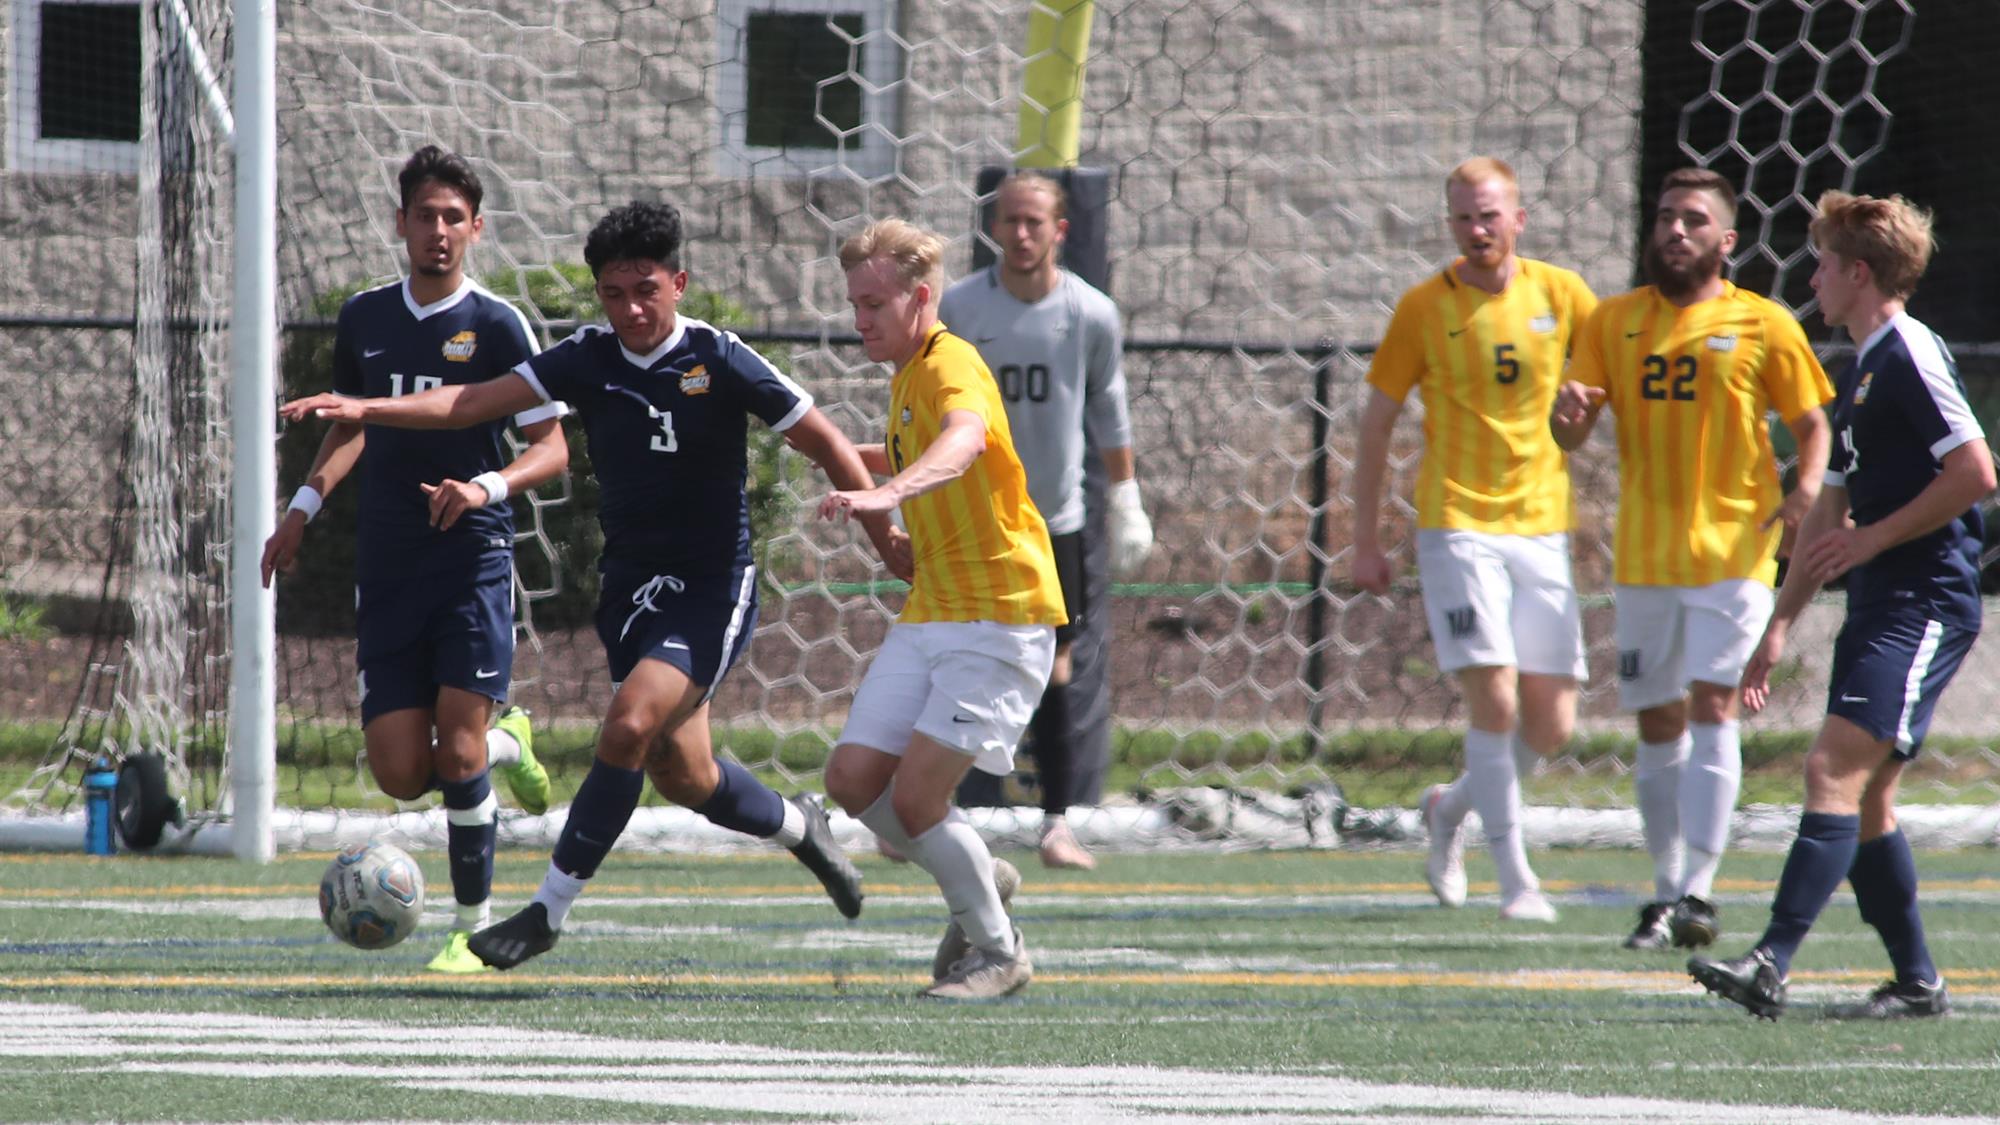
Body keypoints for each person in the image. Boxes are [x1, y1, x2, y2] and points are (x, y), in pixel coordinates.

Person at [281, 200, 902, 970]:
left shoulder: (720, 358)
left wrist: (888, 539)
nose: (633, 309)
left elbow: (828, 441)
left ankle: (546, 911)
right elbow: (472, 403)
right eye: (615, 294)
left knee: (627, 724)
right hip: (631, 588)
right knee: (685, 774)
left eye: (647, 289)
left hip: (710, 583)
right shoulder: (586, 357)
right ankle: (802, 827)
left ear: (679, 282)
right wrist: (368, 406)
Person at [259, 145, 562, 974]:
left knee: (455, 753)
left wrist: (487, 487)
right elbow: (351, 421)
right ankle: (512, 742)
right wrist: (301, 511)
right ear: (401, 223)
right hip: (387, 564)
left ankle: (473, 928)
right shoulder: (364, 317)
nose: (438, 231)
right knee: (401, 773)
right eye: (424, 215)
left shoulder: (498, 325)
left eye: (453, 218)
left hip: (470, 558)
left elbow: (553, 445)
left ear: (476, 228)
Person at [1690, 191, 1990, 1020]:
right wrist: (1779, 624)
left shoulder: (1910, 355)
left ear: (1859, 274)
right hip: (1882, 596)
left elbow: (1976, 471)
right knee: (1865, 798)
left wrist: (1874, 538)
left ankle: (1771, 959)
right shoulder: (1858, 368)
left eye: (1823, 262)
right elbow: (1828, 513)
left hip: (1926, 598)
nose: (1812, 275)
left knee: (1831, 770)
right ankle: (1918, 980)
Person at [1551, 167, 1833, 952]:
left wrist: (1806, 486)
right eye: (1667, 216)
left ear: (1727, 239)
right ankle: (1666, 888)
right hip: (1644, 556)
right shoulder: (1612, 322)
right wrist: (1565, 417)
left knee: (1713, 706)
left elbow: (1811, 423)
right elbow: (1571, 432)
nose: (1676, 230)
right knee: (1656, 721)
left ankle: (1699, 893)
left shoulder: (1763, 323)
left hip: (1736, 550)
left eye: (1695, 219)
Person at [818, 218, 1067, 999]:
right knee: (853, 778)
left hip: (999, 612)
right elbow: (893, 456)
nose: (860, 320)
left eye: (874, 304)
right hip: (934, 611)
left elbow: (962, 440)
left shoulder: (950, 362)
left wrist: (886, 493)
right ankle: (975, 873)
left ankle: (999, 953)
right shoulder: (905, 376)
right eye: (854, 304)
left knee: (922, 800)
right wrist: (816, 445)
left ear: (920, 298)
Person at [1353, 156, 1597, 922]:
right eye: (1463, 216)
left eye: (1489, 214)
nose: (1477, 228)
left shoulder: (1563, 296)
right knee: (1492, 700)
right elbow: (1375, 421)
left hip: (1541, 524)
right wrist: (1363, 537)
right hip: (1457, 523)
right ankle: (1517, 879)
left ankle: (1451, 806)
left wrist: (1578, 418)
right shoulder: (1426, 306)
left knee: (1552, 722)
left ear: (1518, 219)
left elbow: (1594, 406)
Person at [936, 172, 1150, 870]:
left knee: (1055, 668)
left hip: (1051, 522)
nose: (1020, 234)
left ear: (1059, 230)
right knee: (958, 655)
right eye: (1009, 221)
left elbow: (1107, 408)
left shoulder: (1089, 313)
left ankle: (1056, 824)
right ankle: (929, 808)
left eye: (1034, 222)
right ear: (992, 229)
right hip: (972, 516)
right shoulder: (961, 308)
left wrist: (1126, 498)